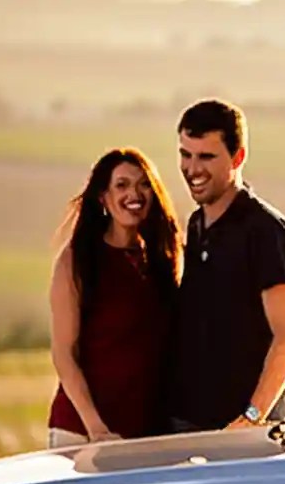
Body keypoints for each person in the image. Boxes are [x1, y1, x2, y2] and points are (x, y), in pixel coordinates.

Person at [167, 98, 285, 433]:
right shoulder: (196, 226)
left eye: (206, 157)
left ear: (238, 157)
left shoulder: (266, 231)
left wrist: (251, 418)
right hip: (192, 424)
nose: (192, 169)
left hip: (248, 430)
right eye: (185, 154)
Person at [47, 148, 183, 447]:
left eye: (143, 184)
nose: (134, 193)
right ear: (103, 198)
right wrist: (96, 427)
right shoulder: (77, 260)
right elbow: (63, 355)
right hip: (85, 432)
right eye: (121, 185)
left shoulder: (162, 260)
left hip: (145, 433)